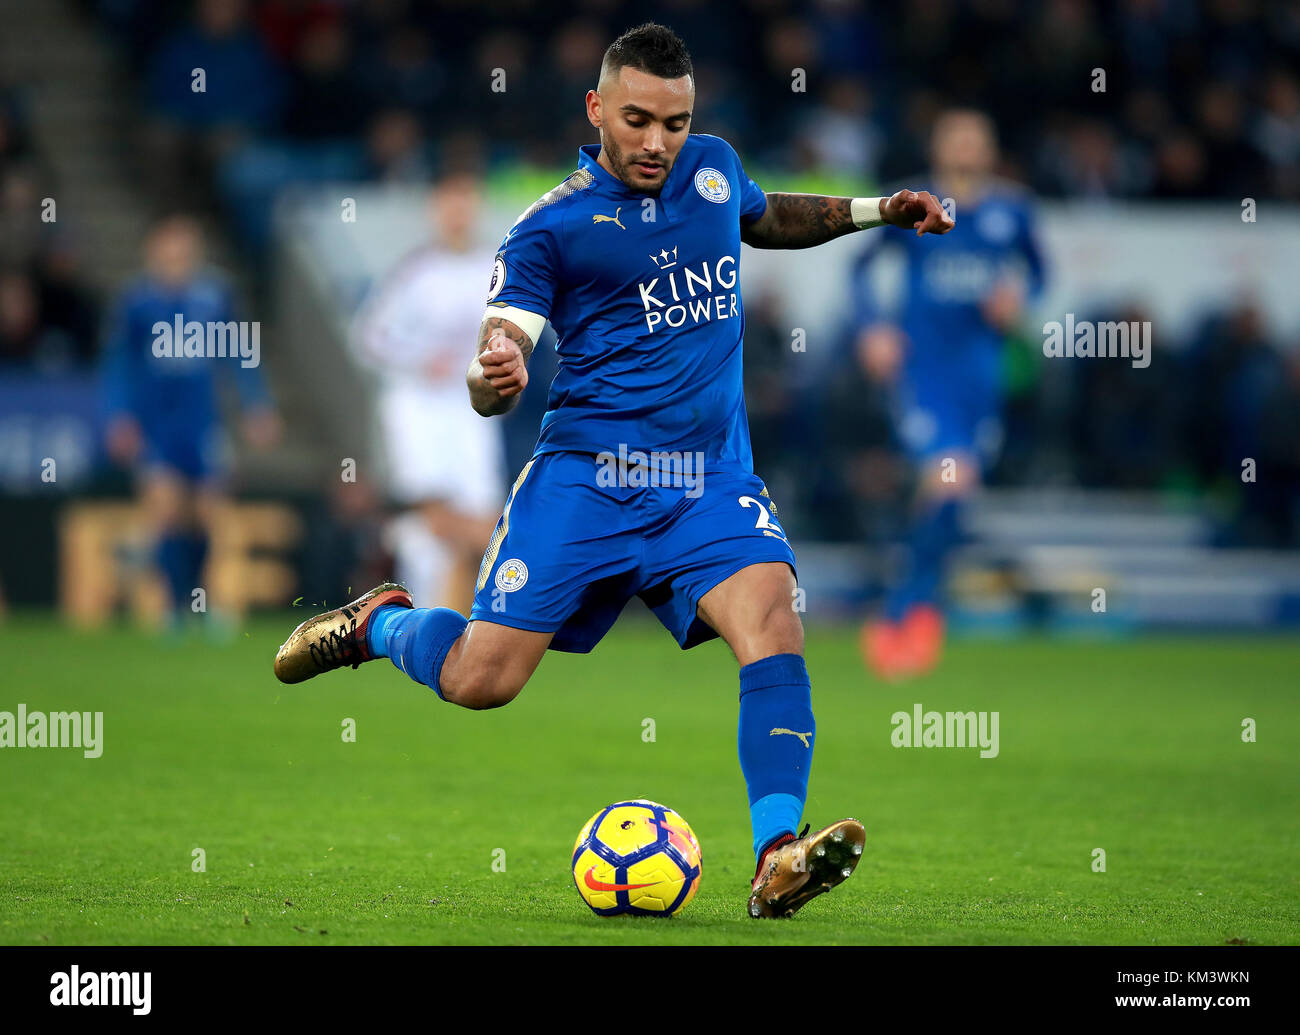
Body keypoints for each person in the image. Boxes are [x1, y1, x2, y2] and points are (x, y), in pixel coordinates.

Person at [275, 23, 953, 918]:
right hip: (586, 481)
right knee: (484, 680)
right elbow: (498, 352)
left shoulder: (711, 168)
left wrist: (876, 212)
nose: (657, 143)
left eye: (674, 123)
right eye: (637, 120)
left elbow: (767, 216)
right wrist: (492, 375)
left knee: (775, 622)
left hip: (706, 482)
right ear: (597, 109)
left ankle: (776, 854)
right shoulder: (549, 228)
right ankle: (382, 625)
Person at [851, 109, 1046, 680]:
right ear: (938, 146)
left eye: (974, 140)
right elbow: (861, 268)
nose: (964, 149)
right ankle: (906, 617)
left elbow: (1038, 270)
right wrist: (873, 327)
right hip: (923, 374)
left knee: (949, 496)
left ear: (988, 149)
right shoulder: (914, 203)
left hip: (980, 378)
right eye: (954, 139)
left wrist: (1018, 293)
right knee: (950, 480)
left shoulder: (1012, 211)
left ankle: (908, 605)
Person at [102, 214, 279, 627]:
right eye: (169, 253)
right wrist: (119, 416)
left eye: (184, 253)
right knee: (165, 512)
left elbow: (241, 354)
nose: (177, 261)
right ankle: (172, 606)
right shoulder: (136, 302)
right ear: (154, 254)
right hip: (158, 427)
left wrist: (257, 405)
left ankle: (202, 601)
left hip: (204, 424)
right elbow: (118, 364)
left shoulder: (215, 296)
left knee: (206, 516)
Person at [353, 170, 505, 612]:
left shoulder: (492, 271)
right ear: (435, 211)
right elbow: (369, 337)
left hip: (471, 408)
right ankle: (426, 618)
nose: (458, 215)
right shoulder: (416, 271)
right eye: (449, 205)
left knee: (483, 514)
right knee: (432, 518)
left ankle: (457, 620)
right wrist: (420, 361)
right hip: (417, 406)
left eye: (466, 203)